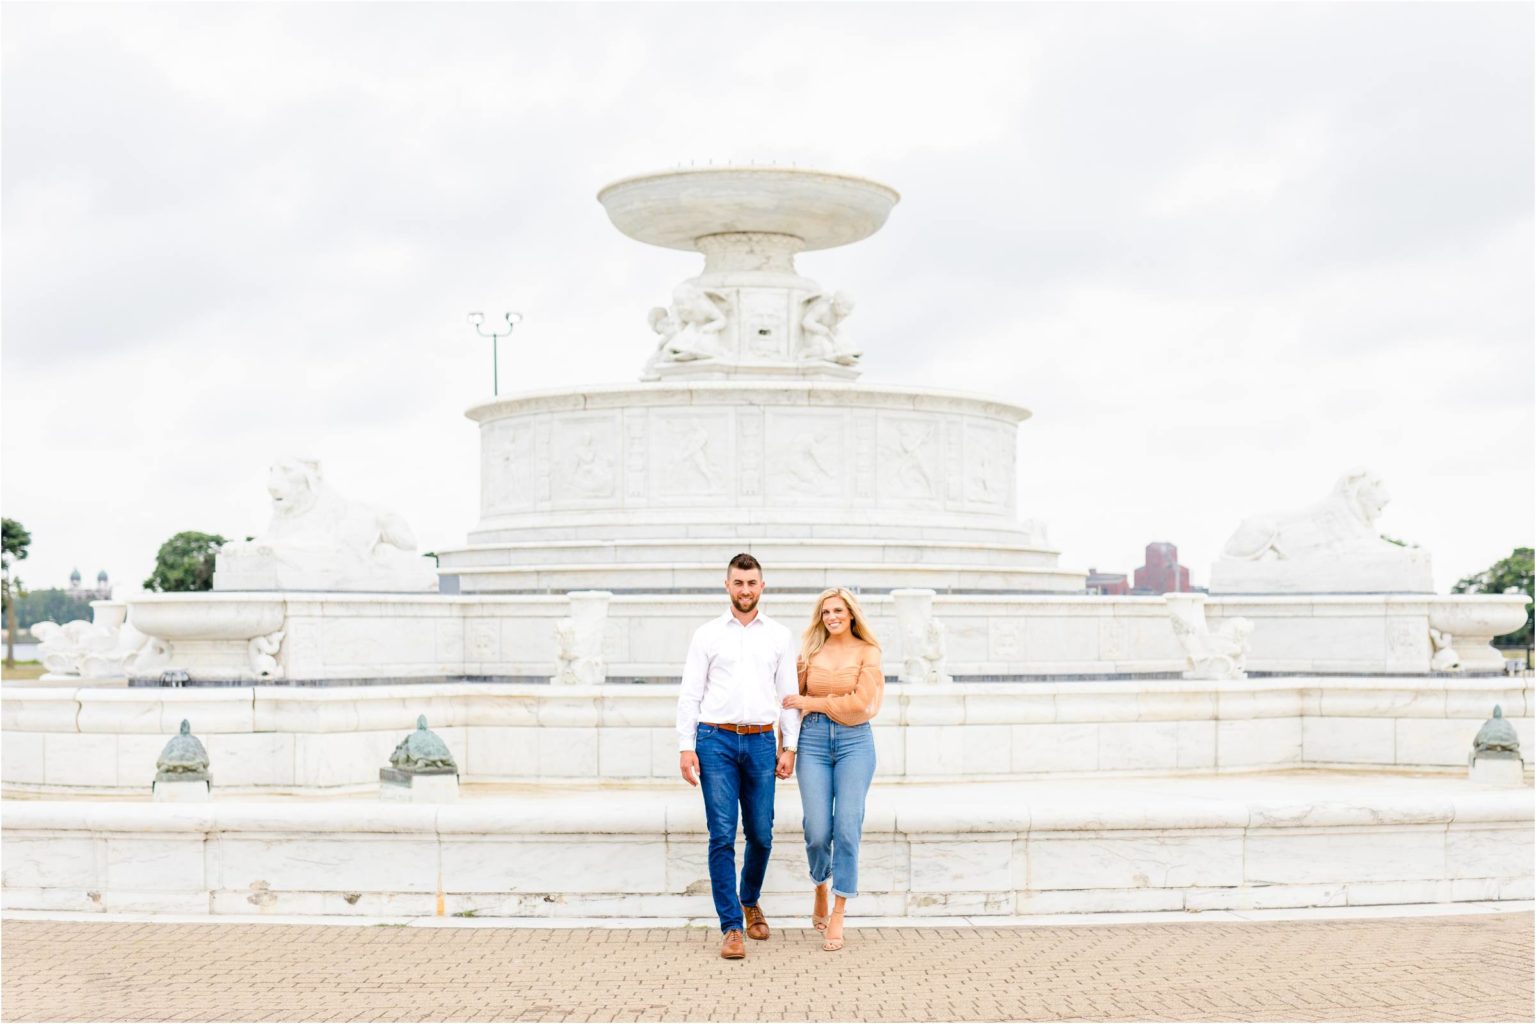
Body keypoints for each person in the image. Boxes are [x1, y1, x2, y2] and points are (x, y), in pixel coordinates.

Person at [677, 553, 800, 960]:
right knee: (722, 834)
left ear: (761, 587)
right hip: (716, 741)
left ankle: (750, 899)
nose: (745, 590)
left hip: (763, 742)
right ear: (727, 586)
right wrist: (686, 745)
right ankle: (731, 926)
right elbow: (691, 694)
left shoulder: (779, 635)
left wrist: (790, 746)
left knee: (762, 835)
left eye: (751, 583)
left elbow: (787, 696)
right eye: (738, 583)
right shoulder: (707, 635)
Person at [782, 586, 883, 952]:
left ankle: (839, 909)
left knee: (847, 826)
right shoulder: (810, 651)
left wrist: (814, 701)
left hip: (856, 742)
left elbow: (862, 705)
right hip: (811, 742)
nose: (832, 617)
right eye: (826, 612)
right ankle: (820, 884)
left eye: (838, 610)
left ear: (851, 614)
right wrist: (787, 747)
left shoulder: (868, 651)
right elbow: (789, 701)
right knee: (817, 830)